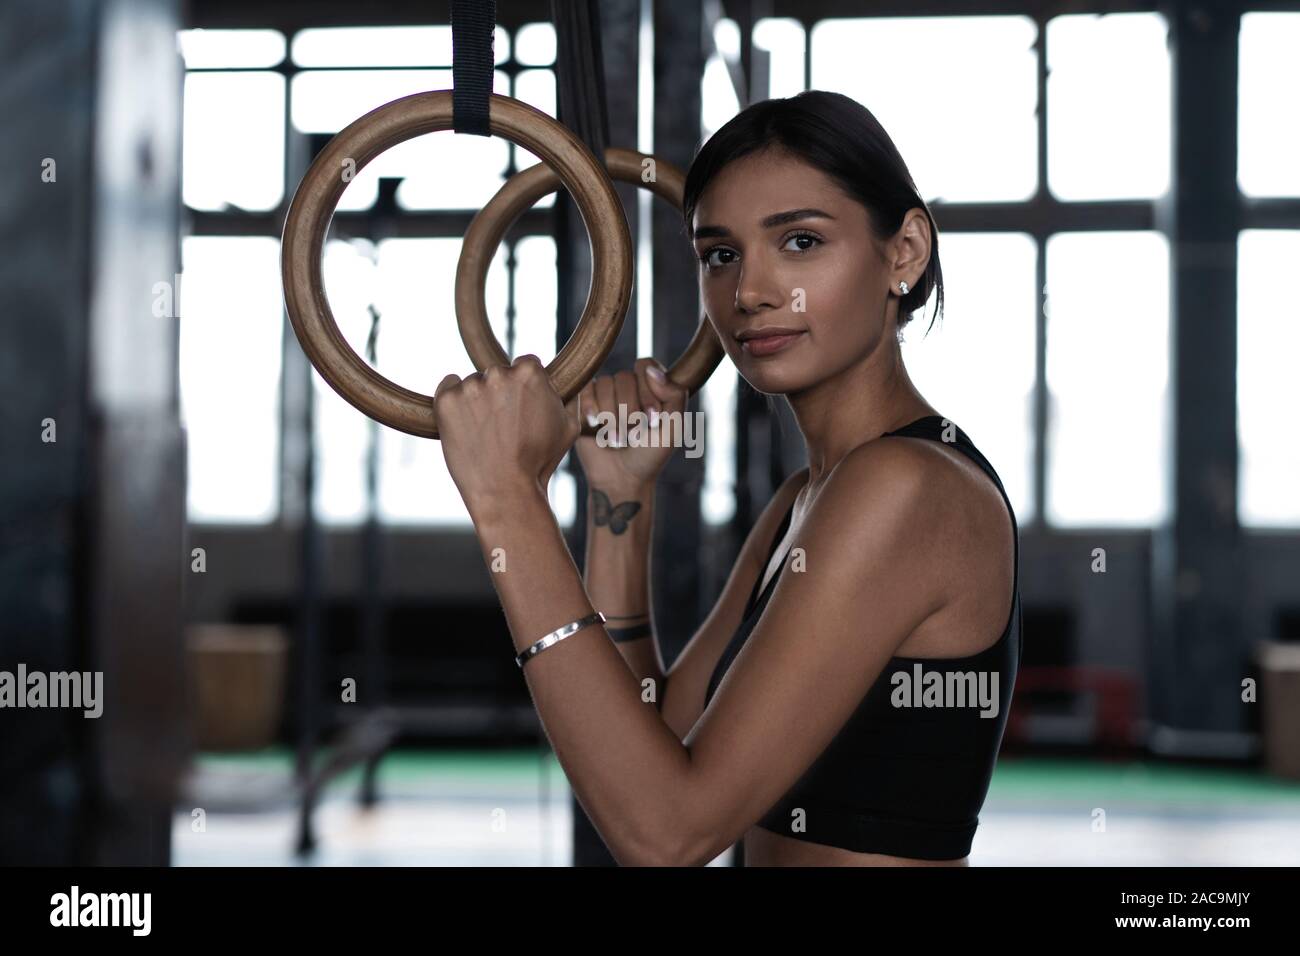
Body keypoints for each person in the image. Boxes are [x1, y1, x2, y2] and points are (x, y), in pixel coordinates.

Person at [434, 90, 1021, 866]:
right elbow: (653, 742)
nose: (749, 292)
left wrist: (509, 504)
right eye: (721, 253)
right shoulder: (806, 500)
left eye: (801, 242)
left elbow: (667, 833)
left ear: (904, 252)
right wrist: (619, 503)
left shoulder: (906, 487)